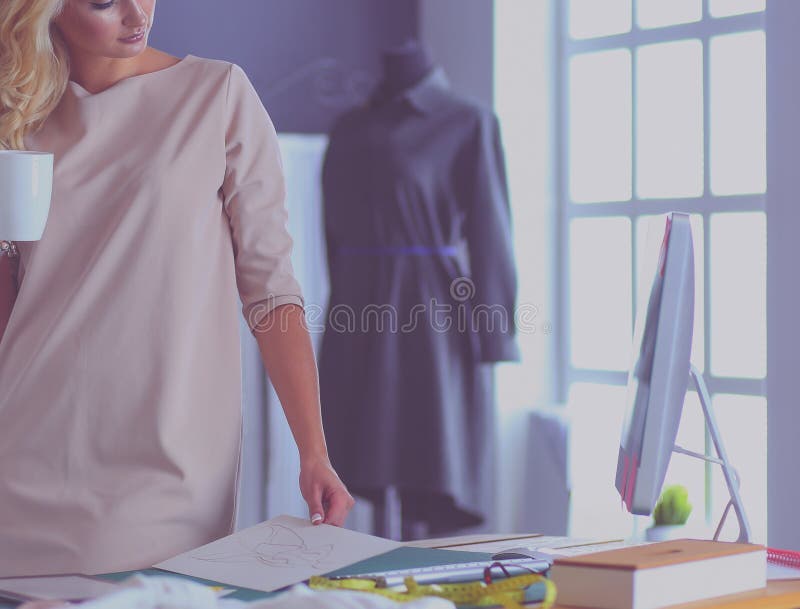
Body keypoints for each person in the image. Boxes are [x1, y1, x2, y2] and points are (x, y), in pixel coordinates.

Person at [0, 0, 354, 576]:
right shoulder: (17, 110)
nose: (138, 14)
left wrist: (312, 451)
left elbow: (271, 293)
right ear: (50, 10)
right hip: (22, 452)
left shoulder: (217, 96)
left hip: (166, 462)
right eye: (103, 3)